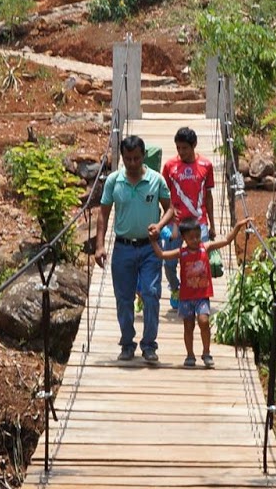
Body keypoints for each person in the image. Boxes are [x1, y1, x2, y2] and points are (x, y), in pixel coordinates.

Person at [94, 135, 171, 363]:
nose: (133, 163)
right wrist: (99, 245)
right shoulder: (113, 181)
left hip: (150, 248)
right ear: (122, 158)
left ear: (143, 156)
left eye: (137, 158)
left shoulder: (157, 180)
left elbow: (170, 209)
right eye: (128, 159)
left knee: (150, 293)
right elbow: (103, 213)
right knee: (124, 298)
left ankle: (149, 345)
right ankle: (127, 343)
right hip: (123, 247)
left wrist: (159, 225)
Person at [148, 216, 249, 368]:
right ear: (184, 238)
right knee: (188, 326)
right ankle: (190, 355)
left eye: (197, 236)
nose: (195, 240)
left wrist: (237, 226)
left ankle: (206, 352)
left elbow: (226, 241)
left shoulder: (205, 247)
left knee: (204, 321)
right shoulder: (181, 252)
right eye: (191, 238)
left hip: (202, 296)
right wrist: (153, 241)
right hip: (186, 297)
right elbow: (162, 255)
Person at [157, 126, 216, 310]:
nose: (181, 152)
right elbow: (162, 193)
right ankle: (176, 288)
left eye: (185, 148)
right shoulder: (169, 166)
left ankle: (198, 296)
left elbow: (208, 196)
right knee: (169, 263)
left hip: (199, 222)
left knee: (200, 260)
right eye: (178, 148)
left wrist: (213, 225)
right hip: (177, 223)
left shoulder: (206, 166)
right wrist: (165, 215)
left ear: (194, 145)